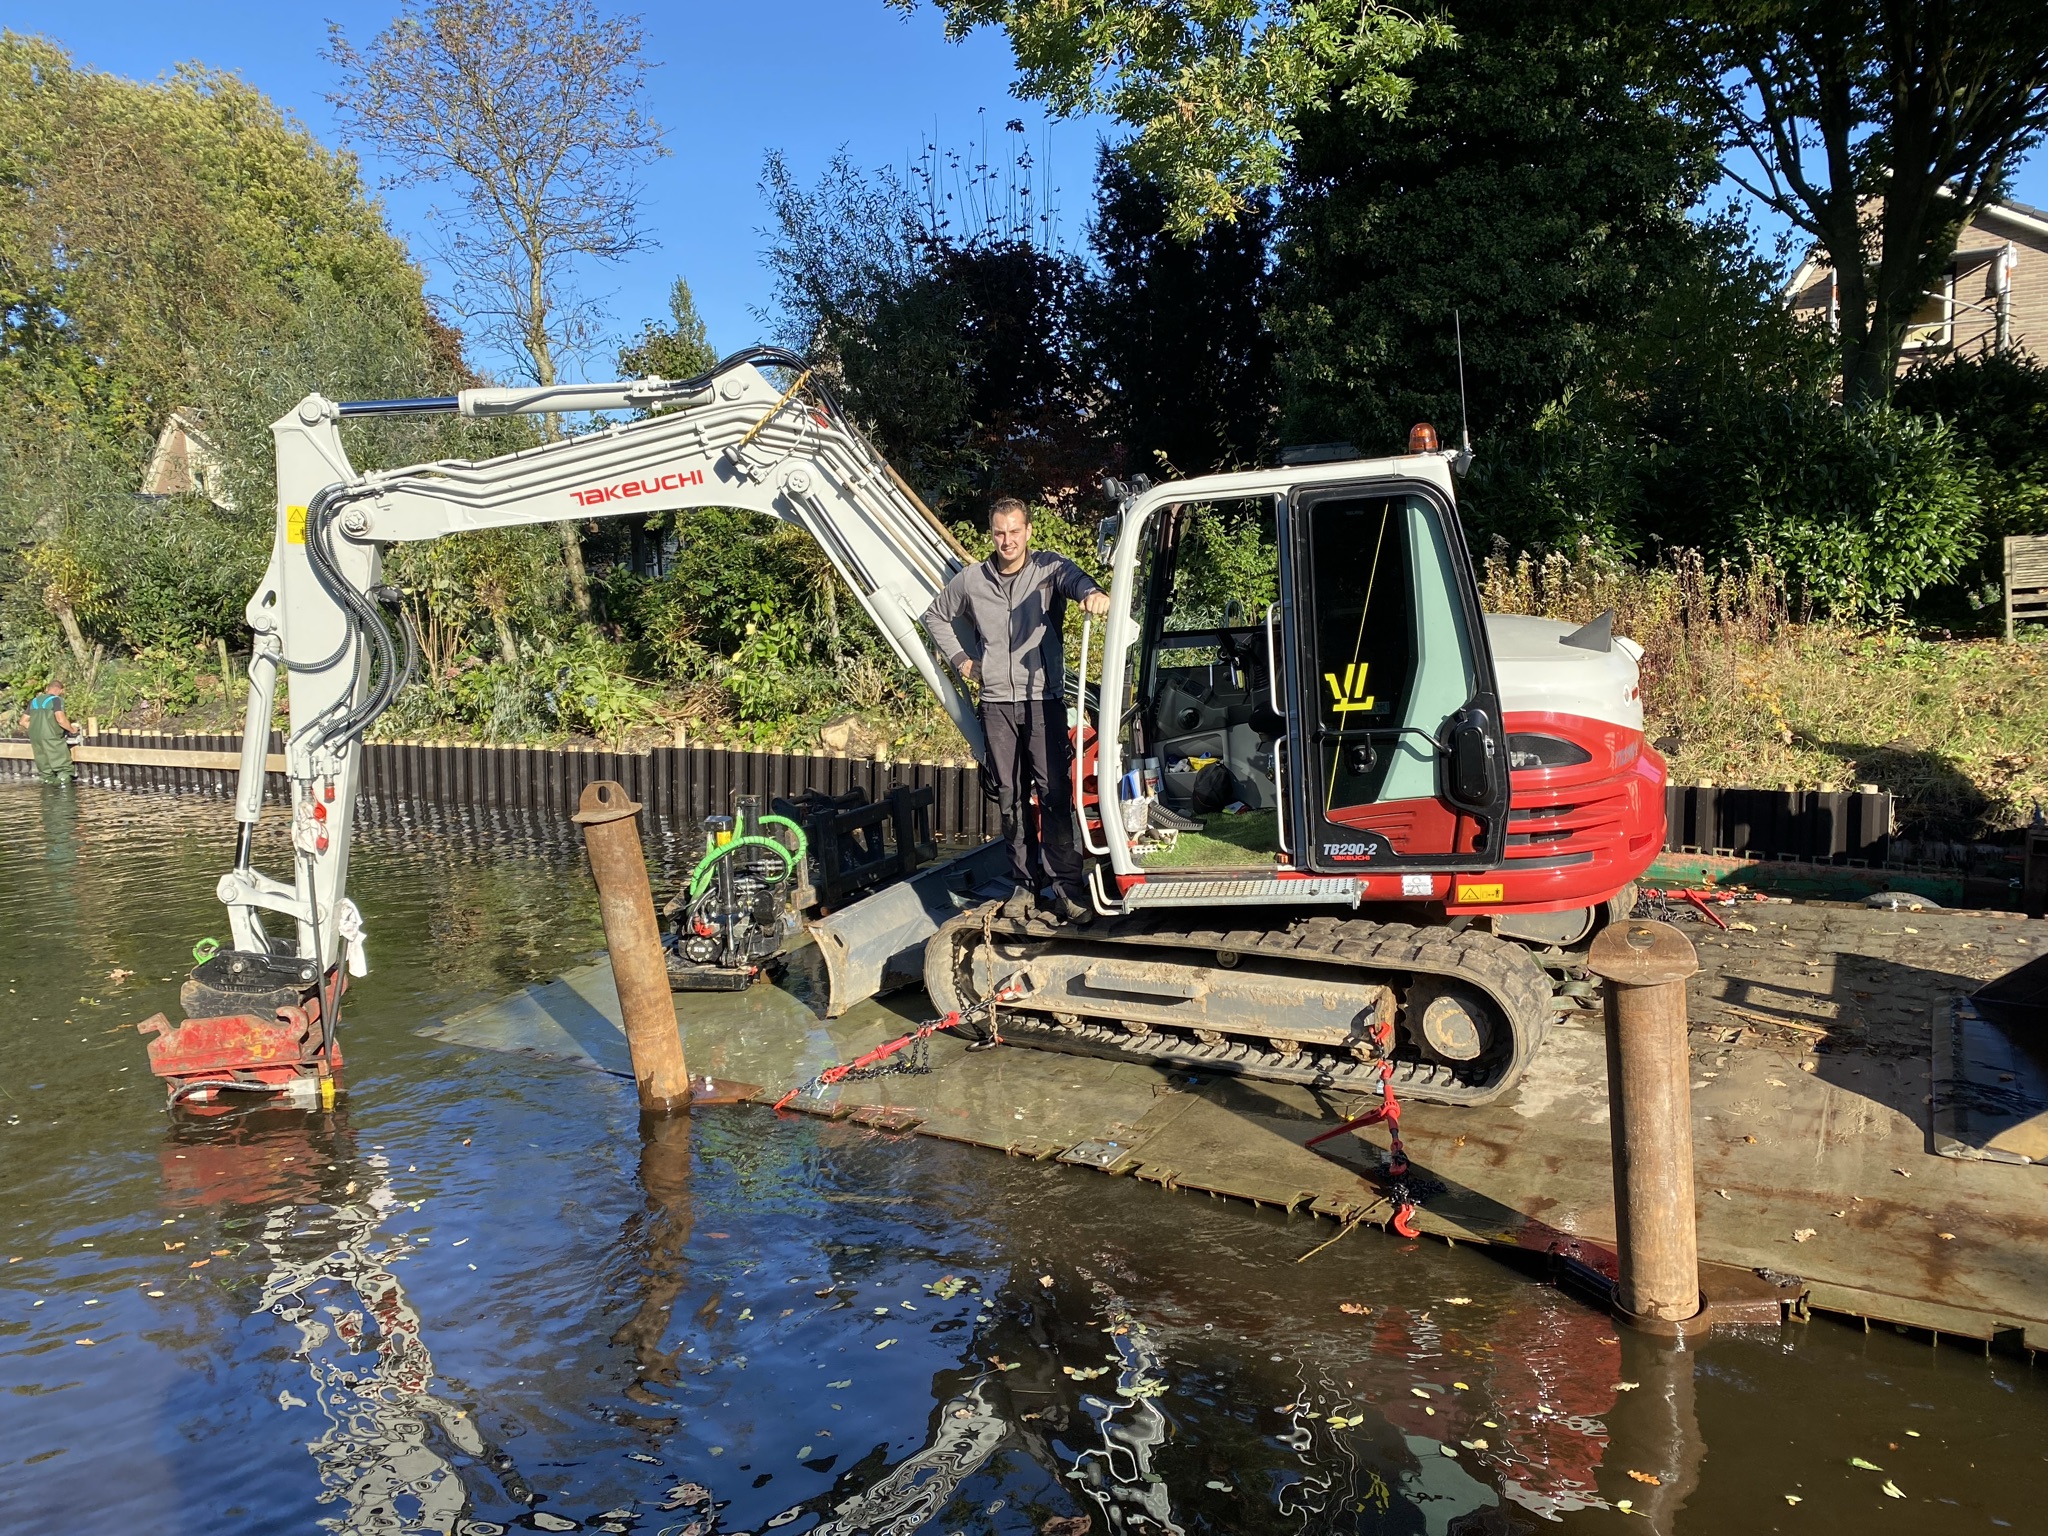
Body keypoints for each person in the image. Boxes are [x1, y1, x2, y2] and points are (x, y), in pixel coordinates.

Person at [923, 497, 1111, 925]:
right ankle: (1025, 885)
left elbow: (1077, 580)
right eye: (999, 533)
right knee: (1009, 798)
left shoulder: (1048, 569)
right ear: (992, 535)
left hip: (1042, 700)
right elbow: (936, 616)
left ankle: (1068, 887)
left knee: (1054, 794)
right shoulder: (972, 580)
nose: (1007, 540)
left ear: (1028, 531)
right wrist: (962, 661)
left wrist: (1093, 594)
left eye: (1014, 531)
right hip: (996, 704)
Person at [20, 679, 78, 786]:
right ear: (61, 690)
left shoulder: (35, 701)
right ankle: (63, 794)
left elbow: (23, 721)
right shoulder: (56, 700)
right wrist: (72, 729)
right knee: (63, 770)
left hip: (35, 737)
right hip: (51, 737)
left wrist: (36, 728)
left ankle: (48, 792)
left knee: (45, 771)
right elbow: (60, 719)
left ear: (47, 689)